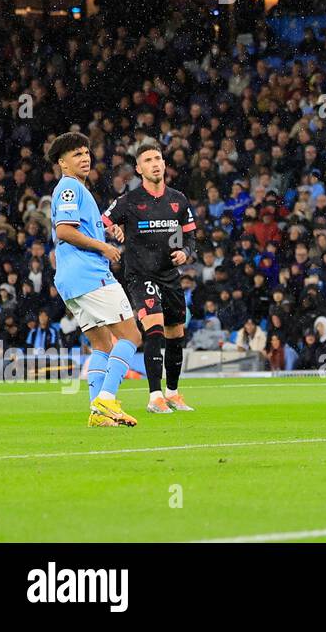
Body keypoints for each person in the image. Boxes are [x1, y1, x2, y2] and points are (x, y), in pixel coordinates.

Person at [47, 132, 140, 428]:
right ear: (62, 163)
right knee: (131, 336)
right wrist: (103, 247)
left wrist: (107, 232)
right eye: (76, 154)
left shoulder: (77, 190)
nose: (84, 157)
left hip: (71, 279)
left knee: (102, 345)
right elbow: (64, 231)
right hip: (89, 274)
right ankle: (107, 399)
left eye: (86, 152)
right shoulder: (70, 189)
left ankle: (97, 412)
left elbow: (81, 228)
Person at [102, 140, 197, 414]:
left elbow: (190, 235)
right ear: (139, 169)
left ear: (164, 164)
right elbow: (101, 223)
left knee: (175, 334)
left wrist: (186, 253)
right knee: (153, 327)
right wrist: (113, 231)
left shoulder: (178, 200)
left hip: (170, 276)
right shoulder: (129, 201)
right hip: (141, 276)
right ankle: (154, 396)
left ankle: (173, 393)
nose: (155, 164)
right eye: (148, 161)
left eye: (158, 159)